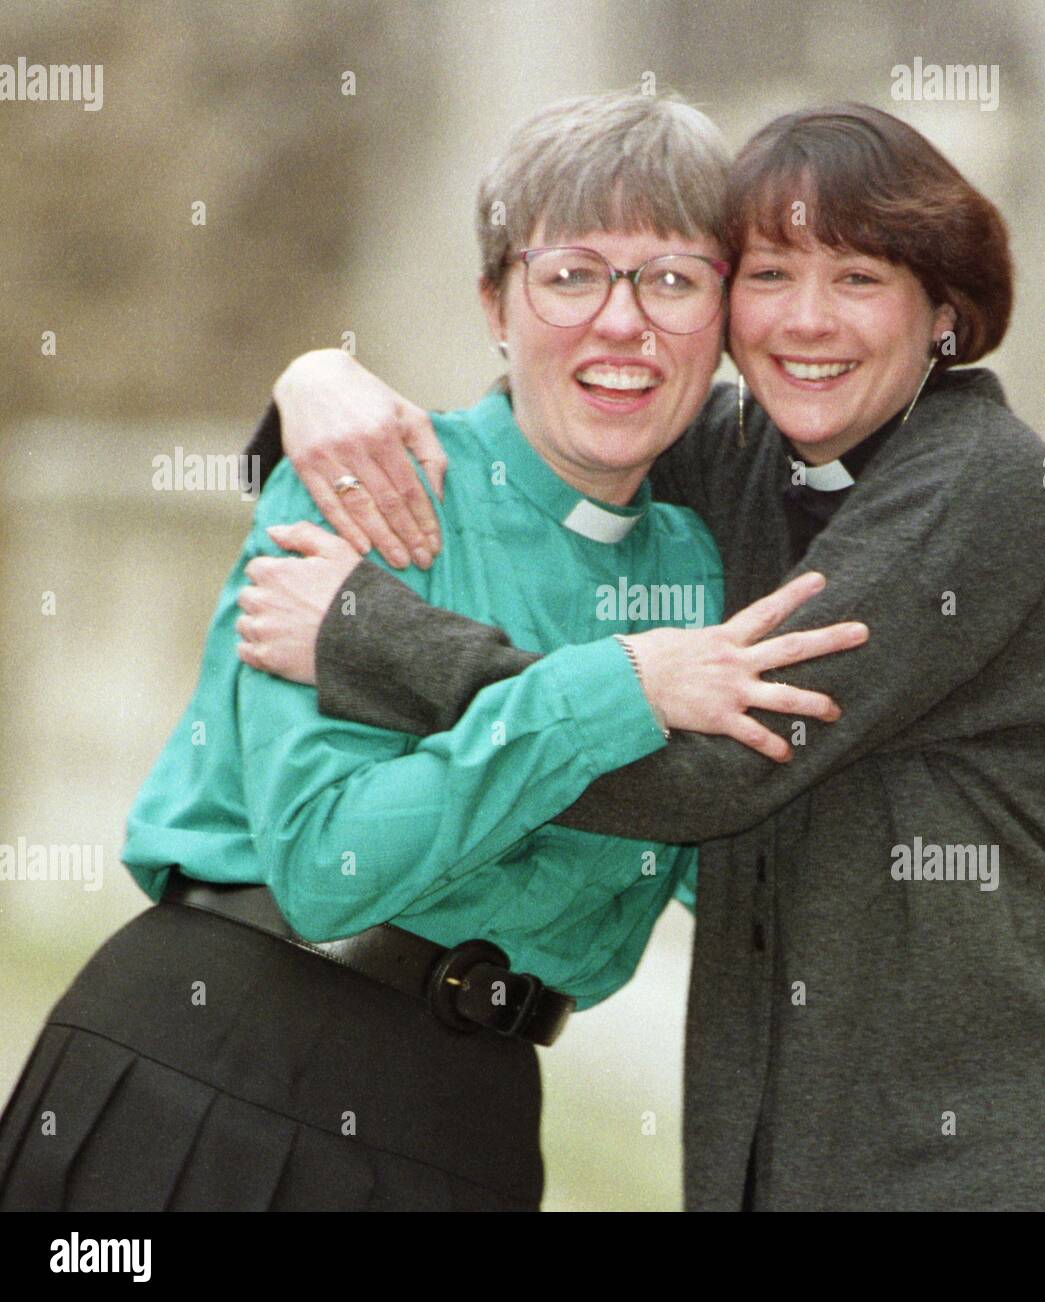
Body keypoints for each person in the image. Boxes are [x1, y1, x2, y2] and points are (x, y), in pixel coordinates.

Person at [238, 102, 1045, 1210]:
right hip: (797, 1134)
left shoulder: (973, 483)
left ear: (943, 311)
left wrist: (373, 639)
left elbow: (711, 770)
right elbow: (547, 418)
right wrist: (310, 382)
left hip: (1003, 1144)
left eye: (861, 279)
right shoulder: (743, 455)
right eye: (772, 275)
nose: (807, 322)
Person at [0, 93, 869, 1213]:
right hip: (208, 1075)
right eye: (570, 274)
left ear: (723, 319)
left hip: (472, 1121)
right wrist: (618, 690)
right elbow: (327, 867)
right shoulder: (372, 481)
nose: (622, 322)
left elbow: (765, 864)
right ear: (495, 305)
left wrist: (1036, 827)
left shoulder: (711, 578)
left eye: (671, 277)